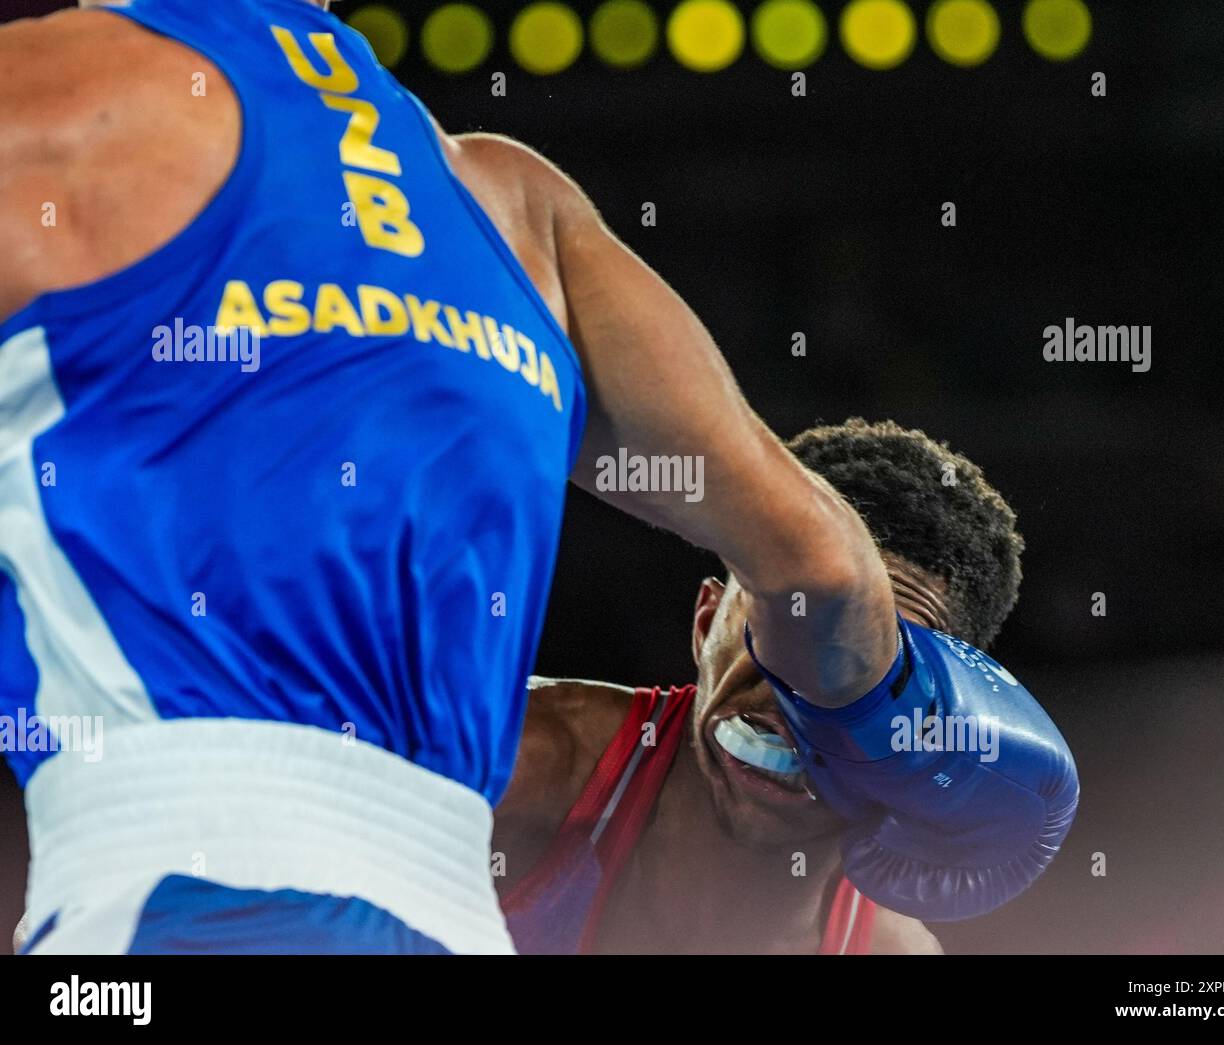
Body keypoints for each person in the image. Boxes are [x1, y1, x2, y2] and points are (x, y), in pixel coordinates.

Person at [0, 0, 1076, 954]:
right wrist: (901, 720)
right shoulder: (515, 207)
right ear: (705, 616)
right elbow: (827, 571)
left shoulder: (50, 102)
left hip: (168, 901)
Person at [494, 420, 1033, 953]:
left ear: (934, 721)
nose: (800, 697)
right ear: (707, 625)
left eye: (871, 674)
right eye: (785, 632)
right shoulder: (521, 759)